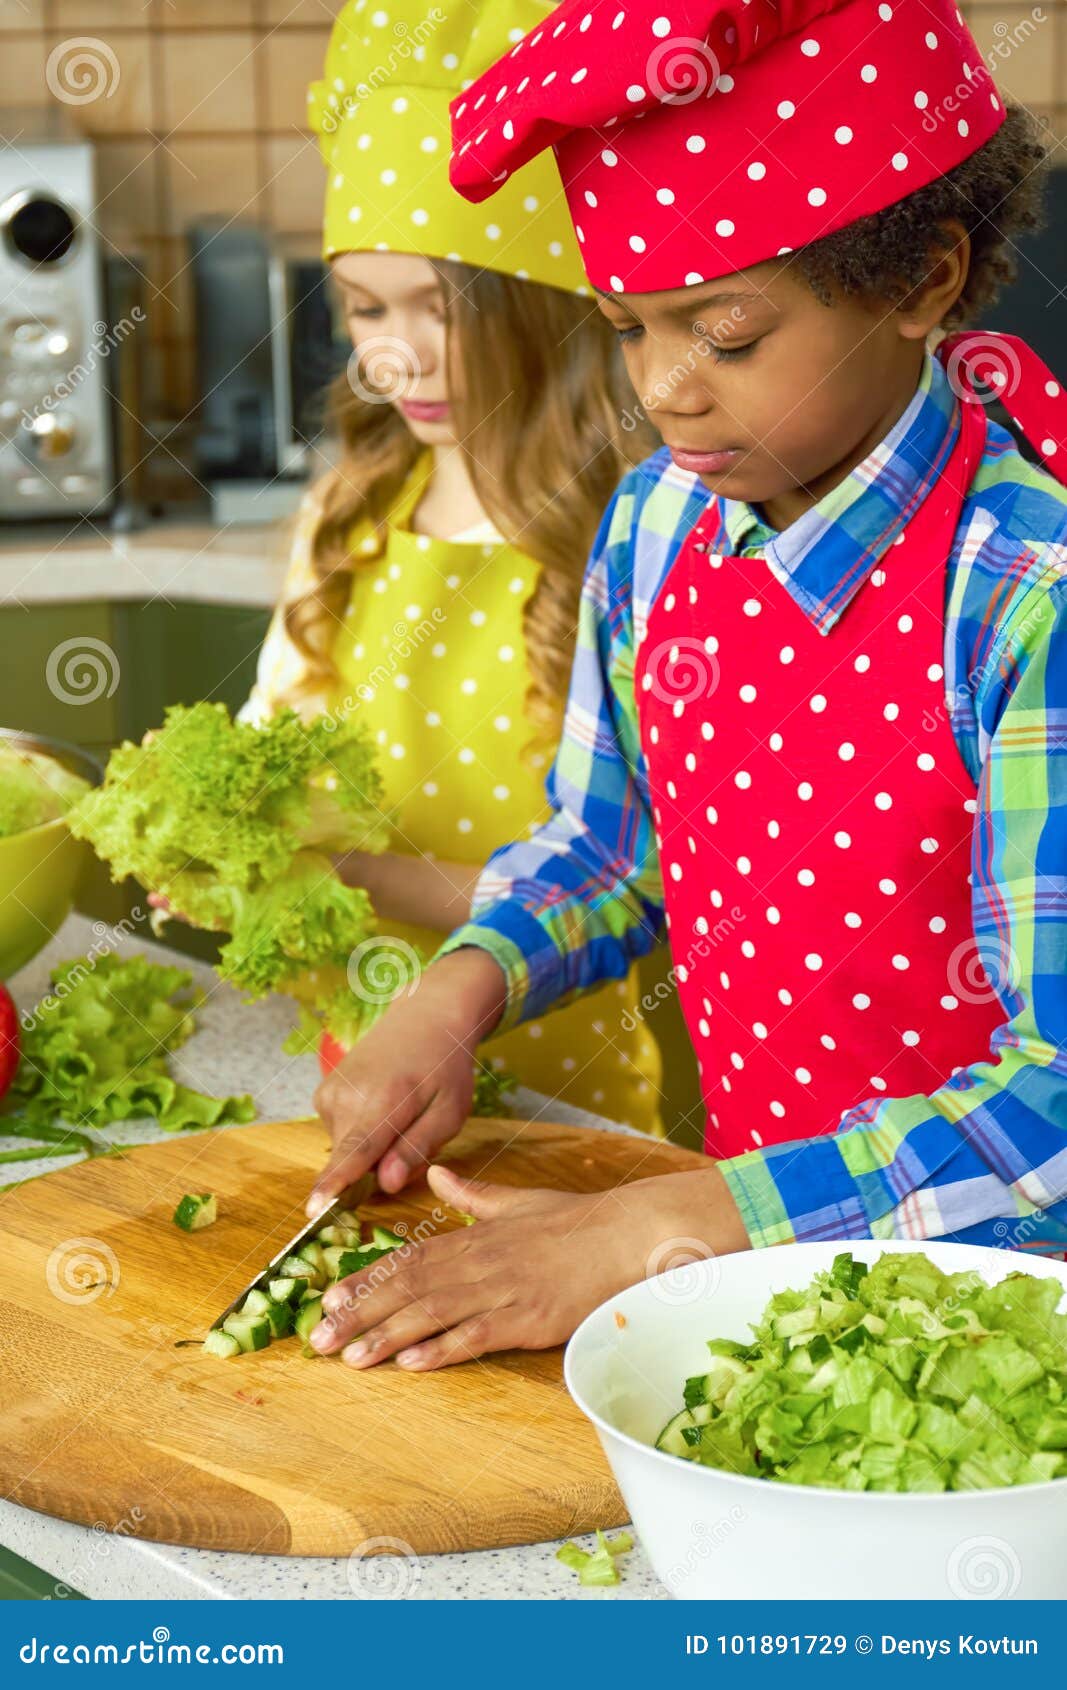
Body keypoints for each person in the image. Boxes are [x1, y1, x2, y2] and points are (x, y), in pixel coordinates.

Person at [307, 0, 1067, 1373]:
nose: (663, 390)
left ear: (920, 279)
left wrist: (642, 1229)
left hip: (1000, 1341)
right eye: (627, 328)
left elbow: (1053, 1102)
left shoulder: (1024, 594)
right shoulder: (655, 526)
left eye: (720, 335)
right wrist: (460, 987)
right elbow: (613, 847)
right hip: (743, 1285)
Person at [241, 0, 665, 1133]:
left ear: (543, 310)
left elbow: (640, 882)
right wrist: (223, 842)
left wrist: (358, 872)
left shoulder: (626, 527)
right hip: (352, 1059)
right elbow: (268, 753)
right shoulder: (349, 509)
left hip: (561, 1094)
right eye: (366, 308)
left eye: (442, 308)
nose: (398, 354)